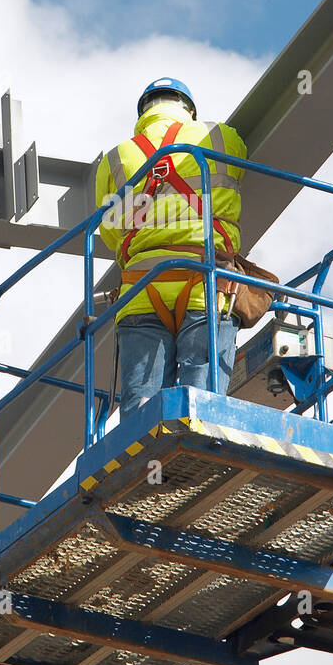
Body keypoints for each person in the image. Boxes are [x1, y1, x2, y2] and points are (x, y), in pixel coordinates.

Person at [95, 77, 247, 420]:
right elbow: (241, 165)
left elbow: (108, 231)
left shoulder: (116, 158)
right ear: (189, 110)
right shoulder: (221, 137)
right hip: (204, 284)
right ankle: (200, 453)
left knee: (141, 412)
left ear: (143, 112)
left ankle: (146, 467)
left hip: (140, 287)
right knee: (201, 406)